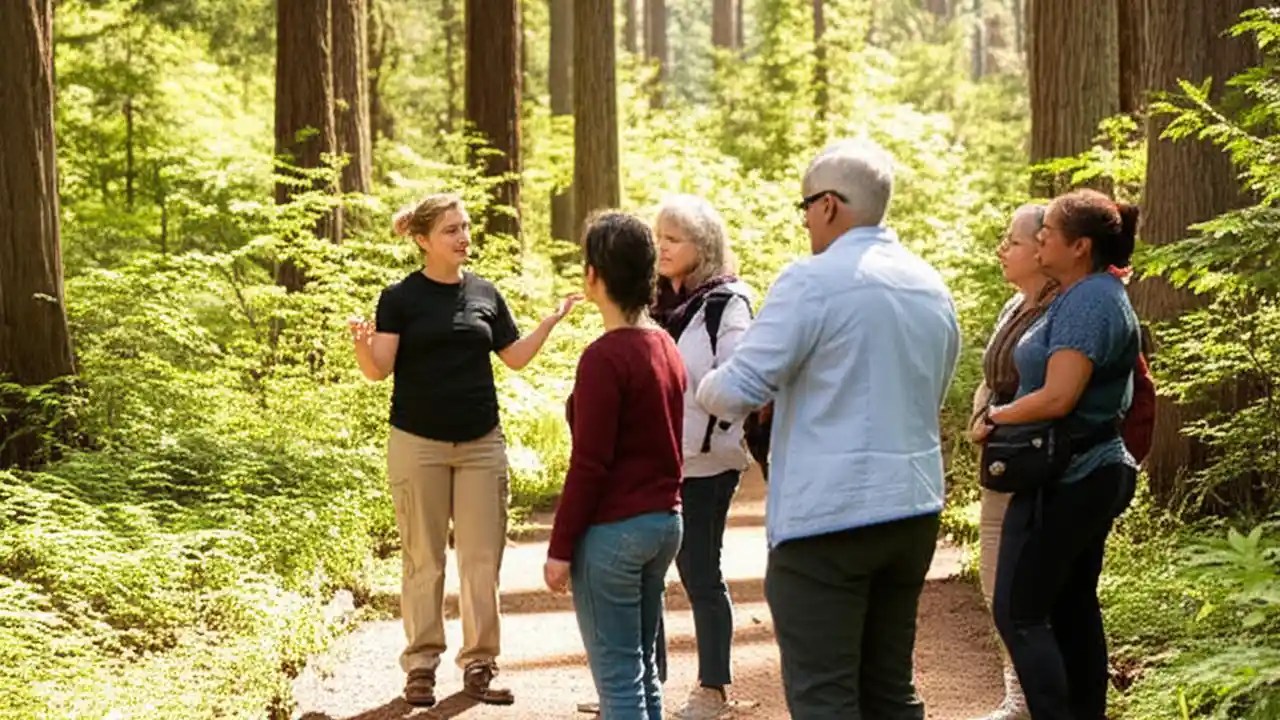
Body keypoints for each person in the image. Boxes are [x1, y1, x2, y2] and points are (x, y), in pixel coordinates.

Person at [697, 139, 961, 719]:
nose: (806, 220)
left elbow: (738, 389)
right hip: (913, 508)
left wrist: (698, 380)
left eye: (805, 206)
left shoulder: (812, 280)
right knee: (890, 689)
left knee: (824, 696)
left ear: (830, 206)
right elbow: (931, 393)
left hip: (829, 518)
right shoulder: (930, 285)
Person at [349, 192, 579, 708]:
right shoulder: (400, 298)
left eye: (466, 227)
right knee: (423, 559)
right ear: (423, 239)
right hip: (417, 444)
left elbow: (514, 358)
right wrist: (362, 345)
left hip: (481, 444)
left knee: (480, 561)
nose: (463, 237)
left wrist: (549, 322)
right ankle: (422, 666)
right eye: (451, 229)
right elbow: (377, 369)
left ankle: (479, 664)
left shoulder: (485, 293)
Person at [977, 189, 1142, 720]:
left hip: (1080, 474)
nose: (1040, 236)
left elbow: (1059, 396)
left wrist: (995, 418)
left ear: (1080, 246)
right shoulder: (1079, 294)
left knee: (1020, 611)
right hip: (1072, 473)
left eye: (1048, 231)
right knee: (1071, 609)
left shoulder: (1092, 300)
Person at [544, 211, 687, 720]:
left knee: (620, 682)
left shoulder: (605, 357)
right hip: (664, 523)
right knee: (641, 667)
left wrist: (560, 548)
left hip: (617, 533)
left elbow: (590, 464)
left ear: (594, 277)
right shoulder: (665, 346)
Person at [651, 195, 754, 719]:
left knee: (698, 571)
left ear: (704, 247)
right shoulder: (656, 303)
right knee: (645, 569)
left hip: (706, 463)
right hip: (653, 460)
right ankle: (643, 686)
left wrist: (692, 396)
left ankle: (712, 689)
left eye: (674, 239)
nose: (662, 247)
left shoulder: (726, 304)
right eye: (659, 237)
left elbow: (738, 378)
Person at [965, 204, 1057, 720]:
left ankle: (1036, 697)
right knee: (994, 582)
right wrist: (982, 418)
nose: (1003, 249)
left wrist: (996, 418)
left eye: (1013, 241)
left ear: (1042, 250)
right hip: (999, 462)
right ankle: (1016, 694)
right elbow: (991, 377)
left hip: (1034, 466)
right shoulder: (1013, 307)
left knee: (1023, 590)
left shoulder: (1058, 311)